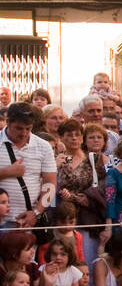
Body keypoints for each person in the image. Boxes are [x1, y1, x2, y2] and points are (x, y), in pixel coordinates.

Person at [55, 118, 108, 264]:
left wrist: (86, 197)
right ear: (61, 137)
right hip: (64, 216)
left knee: (87, 259)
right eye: (69, 135)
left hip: (87, 215)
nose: (74, 138)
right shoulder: (56, 159)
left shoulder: (93, 158)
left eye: (77, 134)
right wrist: (55, 167)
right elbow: (48, 184)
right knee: (64, 259)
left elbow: (105, 183)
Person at [1, 102, 56, 230]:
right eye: (19, 128)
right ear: (7, 122)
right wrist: (7, 172)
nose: (24, 133)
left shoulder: (43, 147)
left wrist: (36, 213)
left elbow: (50, 184)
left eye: (28, 128)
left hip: (27, 222)